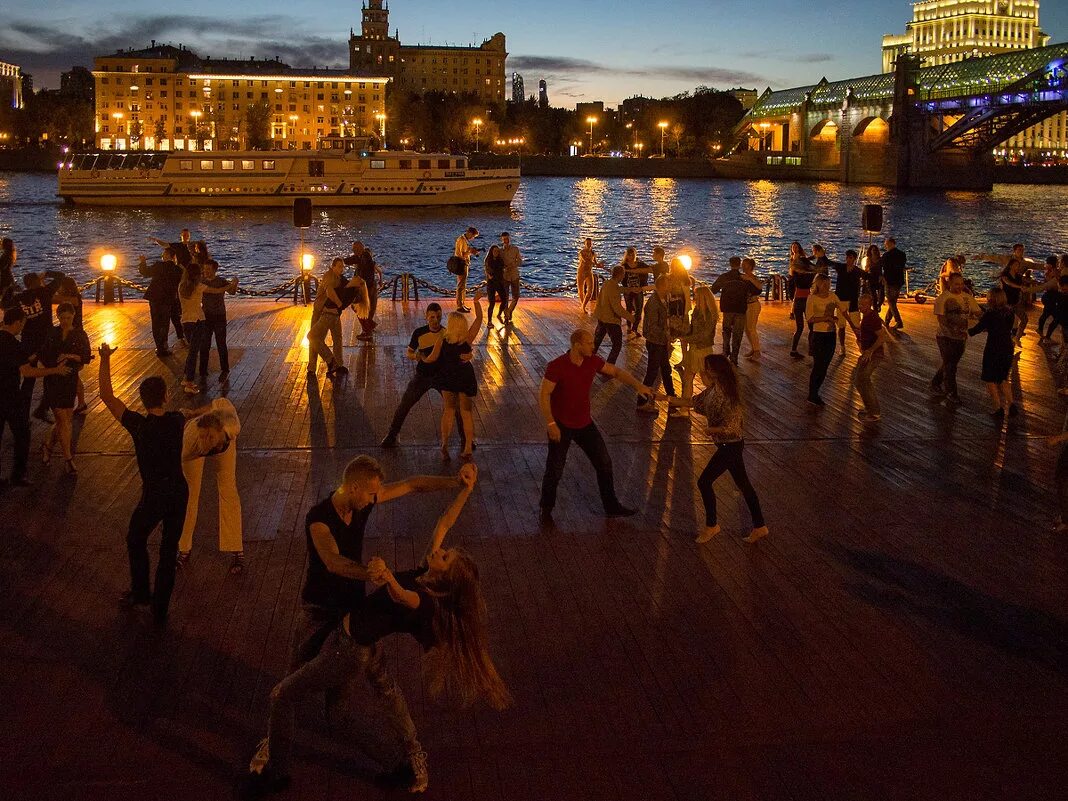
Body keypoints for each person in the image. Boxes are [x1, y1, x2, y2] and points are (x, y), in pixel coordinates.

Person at [243, 466, 509, 799]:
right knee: (337, 715)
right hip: (346, 637)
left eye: (445, 556)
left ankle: (276, 775)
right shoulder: (426, 573)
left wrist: (384, 575)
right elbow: (443, 521)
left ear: (445, 578)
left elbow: (402, 596)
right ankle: (397, 764)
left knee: (282, 694)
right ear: (354, 488)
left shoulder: (424, 600)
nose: (440, 550)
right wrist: (463, 489)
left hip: (348, 648)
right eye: (444, 550)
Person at [289, 457, 476, 690]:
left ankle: (333, 716)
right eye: (371, 494)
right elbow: (333, 562)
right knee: (298, 671)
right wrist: (374, 574)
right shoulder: (319, 519)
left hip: (352, 603)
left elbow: (412, 485)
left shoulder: (362, 503)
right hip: (319, 606)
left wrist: (456, 482)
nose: (375, 500)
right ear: (355, 488)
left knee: (339, 681)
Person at [97, 344, 188, 626]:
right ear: (165, 396)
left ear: (142, 400)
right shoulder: (176, 421)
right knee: (168, 550)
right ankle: (160, 609)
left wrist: (104, 360)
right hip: (178, 491)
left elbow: (107, 396)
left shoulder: (139, 426)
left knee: (136, 538)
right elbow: (185, 412)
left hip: (154, 495)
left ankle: (140, 592)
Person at [538, 329, 651, 521]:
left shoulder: (592, 361)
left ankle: (611, 505)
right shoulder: (557, 366)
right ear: (577, 345)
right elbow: (544, 394)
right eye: (589, 343)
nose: (593, 346)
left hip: (584, 424)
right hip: (561, 425)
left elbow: (615, 371)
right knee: (555, 469)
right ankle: (546, 508)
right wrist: (550, 423)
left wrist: (637, 385)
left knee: (604, 463)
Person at [666, 354, 767, 544]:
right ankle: (760, 526)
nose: (702, 372)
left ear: (713, 372)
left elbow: (734, 427)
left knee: (704, 482)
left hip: (731, 446)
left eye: (705, 369)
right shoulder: (713, 390)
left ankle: (712, 526)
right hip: (728, 445)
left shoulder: (727, 395)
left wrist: (711, 429)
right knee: (743, 484)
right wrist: (664, 398)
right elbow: (692, 402)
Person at [0, 306, 70, 488]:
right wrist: (55, 370)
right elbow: (27, 371)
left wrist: (38, 353)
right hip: (9, 396)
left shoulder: (7, 342)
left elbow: (22, 359)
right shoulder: (12, 344)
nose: (21, 328)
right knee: (22, 433)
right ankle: (18, 475)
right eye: (22, 324)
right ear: (16, 322)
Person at [380, 303, 467, 449]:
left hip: (441, 376)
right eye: (432, 317)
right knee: (405, 404)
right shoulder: (419, 333)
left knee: (456, 406)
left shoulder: (446, 334)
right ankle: (391, 435)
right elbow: (409, 352)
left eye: (438, 316)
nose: (435, 320)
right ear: (426, 317)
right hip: (422, 376)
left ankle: (466, 438)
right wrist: (416, 356)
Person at [177, 398, 244, 572]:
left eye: (210, 437)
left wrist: (194, 411)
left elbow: (219, 402)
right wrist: (193, 415)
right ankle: (183, 547)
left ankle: (236, 549)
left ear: (220, 431)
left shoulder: (231, 426)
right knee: (188, 493)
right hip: (193, 450)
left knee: (228, 489)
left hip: (224, 446)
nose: (206, 440)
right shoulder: (190, 441)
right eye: (204, 436)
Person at [424, 292, 483, 460]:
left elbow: (432, 358)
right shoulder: (466, 340)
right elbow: (479, 320)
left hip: (447, 377)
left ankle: (444, 444)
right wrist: (476, 301)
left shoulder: (443, 340)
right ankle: (467, 448)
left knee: (448, 410)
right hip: (464, 378)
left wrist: (420, 358)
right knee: (466, 412)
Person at [39, 303, 91, 474]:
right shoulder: (52, 333)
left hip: (69, 379)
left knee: (65, 421)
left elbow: (85, 356)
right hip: (53, 379)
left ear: (73, 316)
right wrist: (55, 364)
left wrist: (68, 356)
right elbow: (44, 354)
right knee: (62, 418)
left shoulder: (79, 334)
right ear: (58, 317)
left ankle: (47, 446)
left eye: (68, 318)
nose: (65, 321)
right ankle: (68, 459)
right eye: (62, 318)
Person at [16, 270, 66, 423]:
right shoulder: (45, 292)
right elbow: (61, 276)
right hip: (45, 342)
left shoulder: (19, 298)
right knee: (52, 373)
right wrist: (46, 273)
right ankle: (43, 408)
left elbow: (5, 303)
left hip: (27, 341)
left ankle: (22, 413)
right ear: (37, 282)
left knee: (28, 378)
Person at [931, 273, 982, 404]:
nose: (960, 287)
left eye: (961, 284)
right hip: (945, 336)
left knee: (950, 362)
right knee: (951, 365)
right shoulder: (943, 299)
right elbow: (941, 319)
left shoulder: (967, 297)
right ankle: (951, 392)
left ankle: (936, 382)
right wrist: (952, 330)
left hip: (961, 337)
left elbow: (978, 313)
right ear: (950, 284)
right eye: (956, 284)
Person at [968, 286, 1017, 419]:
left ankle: (998, 408)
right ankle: (1012, 404)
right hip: (1007, 347)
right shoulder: (1010, 312)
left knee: (990, 379)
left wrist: (966, 330)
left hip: (994, 348)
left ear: (991, 299)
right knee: (1002, 378)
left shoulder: (990, 314)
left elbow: (977, 329)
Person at [674, 285, 718, 419]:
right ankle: (684, 408)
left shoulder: (709, 315)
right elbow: (692, 330)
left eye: (696, 296)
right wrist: (681, 331)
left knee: (706, 380)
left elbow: (704, 335)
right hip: (694, 349)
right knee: (689, 380)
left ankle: (715, 404)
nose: (694, 298)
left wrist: (686, 338)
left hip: (702, 350)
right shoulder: (698, 311)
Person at [805, 274, 848, 407]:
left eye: (829, 284)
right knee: (819, 364)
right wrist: (826, 318)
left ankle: (815, 392)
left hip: (830, 334)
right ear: (818, 284)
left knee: (825, 365)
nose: (827, 286)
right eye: (824, 284)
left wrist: (853, 325)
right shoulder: (812, 298)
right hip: (818, 334)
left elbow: (843, 310)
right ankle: (812, 394)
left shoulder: (833, 296)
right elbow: (810, 318)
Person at [307, 257, 353, 378]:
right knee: (315, 338)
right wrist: (339, 304)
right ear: (332, 267)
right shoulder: (328, 276)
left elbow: (349, 286)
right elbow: (329, 292)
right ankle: (317, 365)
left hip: (331, 312)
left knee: (337, 338)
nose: (341, 269)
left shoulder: (340, 278)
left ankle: (337, 364)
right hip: (320, 311)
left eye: (343, 267)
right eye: (339, 266)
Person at [636, 274, 675, 415]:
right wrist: (667, 335)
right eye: (669, 284)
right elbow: (652, 326)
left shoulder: (664, 299)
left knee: (665, 369)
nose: (671, 286)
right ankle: (641, 402)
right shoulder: (654, 303)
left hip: (661, 341)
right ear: (663, 286)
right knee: (652, 373)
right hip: (655, 341)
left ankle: (673, 398)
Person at [710, 256, 759, 366]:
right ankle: (734, 356)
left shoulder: (724, 277)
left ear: (730, 264)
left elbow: (713, 290)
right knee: (738, 333)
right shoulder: (744, 278)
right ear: (739, 264)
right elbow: (756, 291)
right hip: (740, 308)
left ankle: (725, 350)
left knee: (726, 330)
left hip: (727, 308)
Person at [139, 247, 184, 357]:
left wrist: (143, 262)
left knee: (156, 322)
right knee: (164, 323)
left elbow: (144, 272)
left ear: (168, 255)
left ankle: (159, 347)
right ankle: (164, 346)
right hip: (167, 299)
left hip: (155, 297)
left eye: (164, 254)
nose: (162, 255)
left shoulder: (158, 266)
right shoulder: (178, 270)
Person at [853, 294, 890, 424]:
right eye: (859, 304)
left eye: (863, 304)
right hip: (868, 353)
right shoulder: (868, 317)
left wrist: (870, 350)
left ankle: (874, 412)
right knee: (860, 379)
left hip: (874, 354)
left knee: (862, 379)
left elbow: (882, 336)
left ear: (869, 305)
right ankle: (870, 407)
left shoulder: (871, 318)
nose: (860, 307)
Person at [199, 259, 238, 381]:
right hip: (205, 316)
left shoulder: (220, 281)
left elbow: (232, 292)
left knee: (221, 343)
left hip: (219, 315)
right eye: (204, 269)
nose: (206, 271)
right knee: (205, 344)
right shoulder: (201, 281)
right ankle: (202, 370)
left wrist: (234, 284)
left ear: (214, 270)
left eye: (208, 269)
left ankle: (225, 369)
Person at [592, 263, 634, 365]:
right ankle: (610, 365)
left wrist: (629, 289)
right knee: (617, 344)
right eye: (623, 274)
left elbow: (618, 289)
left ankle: (587, 361)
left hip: (601, 317)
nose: (624, 276)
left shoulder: (608, 283)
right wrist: (631, 318)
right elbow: (617, 308)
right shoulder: (613, 287)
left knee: (596, 342)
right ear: (620, 275)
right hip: (610, 320)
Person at [343, 241, 382, 341]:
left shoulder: (364, 257)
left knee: (357, 307)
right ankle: (369, 325)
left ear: (359, 249)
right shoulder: (363, 257)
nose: (353, 251)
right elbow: (350, 260)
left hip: (365, 288)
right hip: (367, 287)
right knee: (363, 309)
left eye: (354, 249)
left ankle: (367, 329)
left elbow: (351, 261)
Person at [788, 242, 817, 357]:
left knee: (799, 327)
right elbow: (815, 271)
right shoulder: (809, 275)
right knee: (811, 326)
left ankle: (794, 349)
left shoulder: (795, 275)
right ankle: (811, 348)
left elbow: (792, 285)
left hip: (798, 300)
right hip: (806, 300)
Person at [833, 250, 863, 351]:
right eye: (847, 257)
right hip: (841, 300)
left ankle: (860, 342)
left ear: (854, 259)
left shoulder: (857, 271)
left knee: (856, 325)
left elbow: (868, 276)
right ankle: (842, 347)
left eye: (850, 258)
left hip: (853, 301)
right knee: (841, 326)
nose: (848, 259)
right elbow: (829, 263)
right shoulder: (841, 267)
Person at [620, 246, 647, 337]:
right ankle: (628, 326)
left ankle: (635, 328)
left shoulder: (640, 264)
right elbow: (619, 276)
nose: (630, 257)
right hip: (628, 290)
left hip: (638, 289)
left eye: (632, 255)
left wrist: (644, 286)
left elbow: (648, 270)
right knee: (629, 308)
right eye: (629, 255)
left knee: (639, 309)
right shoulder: (623, 266)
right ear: (626, 256)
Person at [453, 227, 481, 313]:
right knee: (460, 285)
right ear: (469, 233)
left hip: (464, 264)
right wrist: (471, 252)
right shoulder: (461, 240)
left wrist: (471, 251)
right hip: (461, 264)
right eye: (473, 236)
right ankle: (459, 305)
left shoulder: (464, 240)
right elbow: (462, 254)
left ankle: (462, 303)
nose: (473, 238)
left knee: (463, 285)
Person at [881, 237, 907, 330]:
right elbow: (902, 265)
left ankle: (898, 321)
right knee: (893, 302)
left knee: (891, 301)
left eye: (886, 244)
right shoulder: (902, 254)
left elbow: (884, 267)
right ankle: (887, 320)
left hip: (890, 281)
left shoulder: (886, 255)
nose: (885, 246)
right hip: (899, 280)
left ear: (890, 244)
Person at [741, 257, 763, 361]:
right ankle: (753, 348)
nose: (742, 266)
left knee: (751, 328)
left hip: (753, 305)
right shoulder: (742, 277)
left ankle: (757, 351)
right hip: (746, 305)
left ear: (749, 266)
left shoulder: (752, 278)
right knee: (747, 328)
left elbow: (759, 287)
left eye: (744, 264)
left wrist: (749, 279)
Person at [500, 232, 523, 323]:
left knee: (516, 296)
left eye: (507, 239)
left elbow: (520, 261)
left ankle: (509, 311)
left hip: (514, 275)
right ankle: (506, 316)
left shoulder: (515, 249)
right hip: (505, 276)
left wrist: (513, 264)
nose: (506, 241)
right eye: (504, 239)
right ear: (502, 240)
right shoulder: (500, 252)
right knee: (505, 297)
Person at [483, 245, 508, 324]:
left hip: (499, 282)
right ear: (491, 252)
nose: (496, 253)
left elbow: (502, 268)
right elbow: (489, 271)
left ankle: (499, 313)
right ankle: (489, 321)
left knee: (504, 299)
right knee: (492, 303)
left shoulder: (500, 260)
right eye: (494, 251)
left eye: (497, 251)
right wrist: (490, 274)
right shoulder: (488, 261)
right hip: (491, 283)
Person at [1037, 255, 1061, 341]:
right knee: (1056, 317)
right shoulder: (1055, 272)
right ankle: (1046, 336)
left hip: (1048, 296)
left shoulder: (1047, 272)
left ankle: (1040, 330)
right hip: (1051, 297)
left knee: (1046, 314)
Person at [577, 238, 601, 315]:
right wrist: (593, 263)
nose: (589, 245)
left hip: (589, 272)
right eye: (587, 243)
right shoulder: (581, 252)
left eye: (590, 243)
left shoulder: (593, 253)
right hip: (581, 272)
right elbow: (585, 260)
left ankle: (583, 305)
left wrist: (599, 265)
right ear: (585, 244)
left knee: (590, 291)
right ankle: (583, 306)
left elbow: (595, 263)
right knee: (580, 290)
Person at [864, 243, 884, 312]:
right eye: (873, 250)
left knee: (881, 297)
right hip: (871, 279)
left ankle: (879, 305)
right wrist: (864, 277)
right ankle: (875, 312)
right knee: (874, 297)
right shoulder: (868, 260)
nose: (874, 251)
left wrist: (883, 276)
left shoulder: (881, 260)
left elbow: (885, 269)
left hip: (879, 279)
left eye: (875, 250)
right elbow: (866, 269)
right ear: (870, 251)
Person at [0, 237, 15, 307]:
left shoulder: (6, 256)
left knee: (5, 297)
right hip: (7, 277)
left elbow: (2, 267)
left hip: (5, 278)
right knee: (7, 297)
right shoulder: (10, 254)